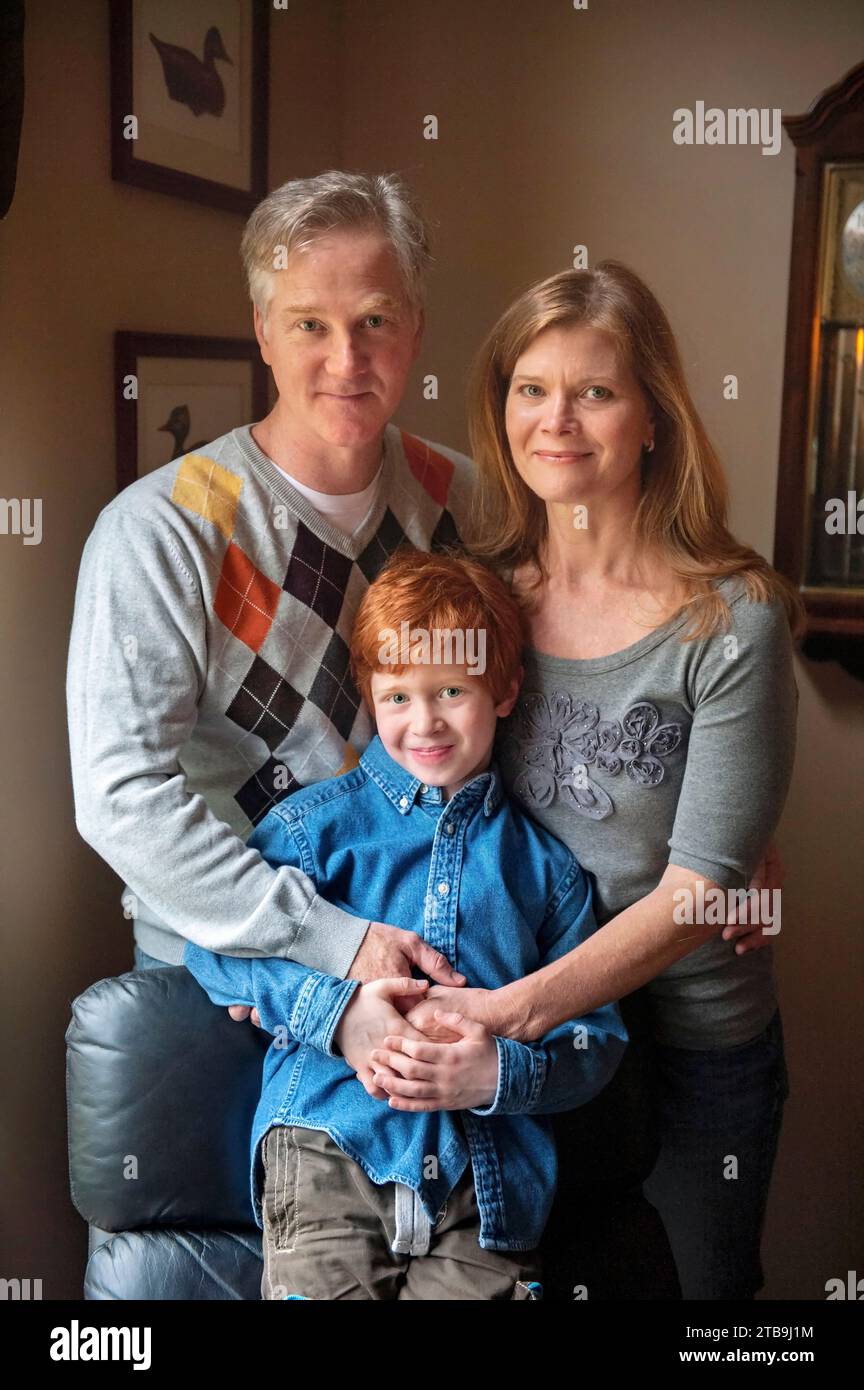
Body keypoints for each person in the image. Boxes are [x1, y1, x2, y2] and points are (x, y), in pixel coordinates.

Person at [362, 262, 800, 1301]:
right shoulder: (480, 588)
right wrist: (291, 950)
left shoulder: (734, 617)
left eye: (595, 391)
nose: (556, 419)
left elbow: (700, 891)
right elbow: (401, 780)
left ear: (655, 418)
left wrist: (514, 1015)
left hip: (688, 1043)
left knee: (705, 1301)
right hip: (514, 1027)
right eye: (530, 388)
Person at [66, 170, 478, 1007]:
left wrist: (702, 836)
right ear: (262, 329)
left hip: (434, 951)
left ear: (417, 328)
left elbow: (541, 697)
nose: (347, 360)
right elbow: (121, 800)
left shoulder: (465, 498)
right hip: (230, 976)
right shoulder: (164, 530)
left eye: (374, 321)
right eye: (309, 325)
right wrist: (331, 939)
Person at [183, 550, 628, 1300]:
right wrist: (329, 1010)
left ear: (506, 689)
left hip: (489, 1192)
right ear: (370, 696)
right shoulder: (311, 832)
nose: (423, 723)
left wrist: (500, 1073)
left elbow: (599, 1039)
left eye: (452, 691)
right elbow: (214, 945)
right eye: (397, 698)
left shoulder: (546, 872)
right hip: (329, 1149)